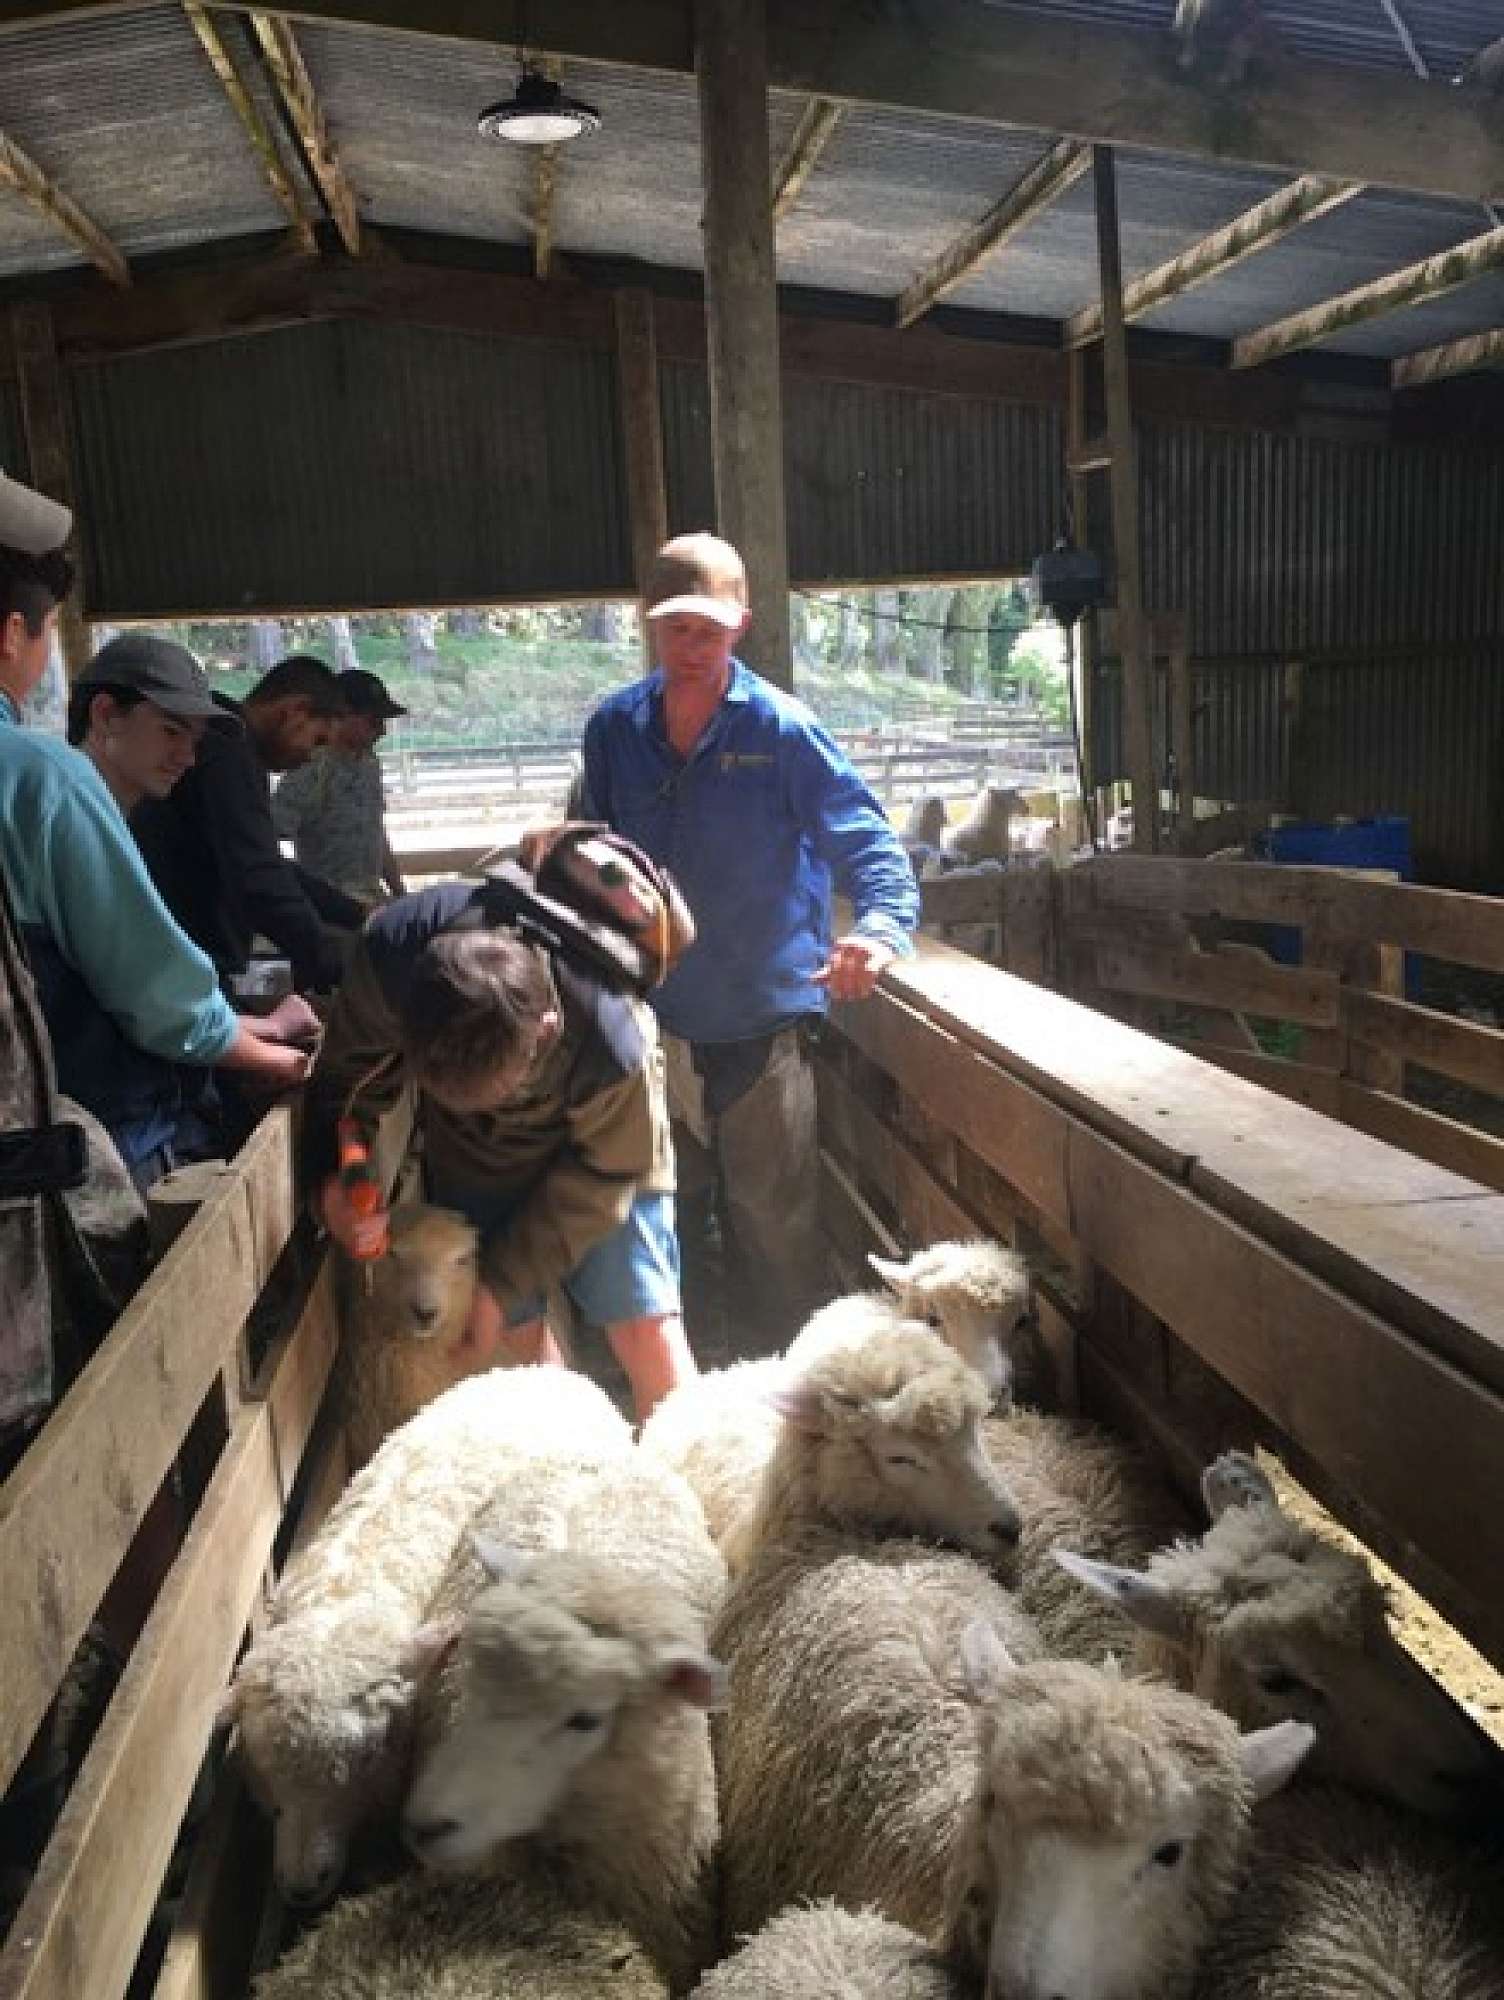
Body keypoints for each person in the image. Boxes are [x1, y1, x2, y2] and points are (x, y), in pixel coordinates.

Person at [581, 532, 920, 1348]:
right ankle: (687, 1397)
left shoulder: (782, 730)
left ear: (741, 624)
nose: (690, 648)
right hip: (655, 1025)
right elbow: (593, 849)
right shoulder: (614, 731)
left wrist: (876, 931)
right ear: (650, 627)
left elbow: (867, 842)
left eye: (708, 629)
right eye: (674, 629)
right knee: (666, 1228)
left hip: (761, 1028)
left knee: (774, 1233)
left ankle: (782, 1404)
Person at [0, 505, 314, 1192]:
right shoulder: (43, 779)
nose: (186, 756)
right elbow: (152, 992)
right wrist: (264, 1052)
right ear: (12, 634)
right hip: (93, 1132)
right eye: (50, 629)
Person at [304, 872, 695, 1422]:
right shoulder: (389, 964)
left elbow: (610, 1176)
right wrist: (336, 1183)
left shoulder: (612, 1041)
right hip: (474, 1151)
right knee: (509, 1339)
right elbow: (347, 1083)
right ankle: (562, 1458)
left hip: (609, 1153)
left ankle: (689, 1473)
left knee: (644, 1322)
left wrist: (502, 1283)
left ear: (546, 1029)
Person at [135, 652, 365, 993]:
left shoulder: (238, 754)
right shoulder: (228, 752)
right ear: (296, 711)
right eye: (317, 740)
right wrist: (327, 957)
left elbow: (265, 863)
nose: (309, 757)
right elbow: (256, 874)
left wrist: (352, 913)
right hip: (178, 961)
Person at [271, 667, 408, 906]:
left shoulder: (369, 764)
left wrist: (400, 894)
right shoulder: (310, 768)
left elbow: (376, 831)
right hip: (328, 902)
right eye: (373, 722)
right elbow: (272, 834)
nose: (382, 732)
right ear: (343, 715)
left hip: (371, 896)